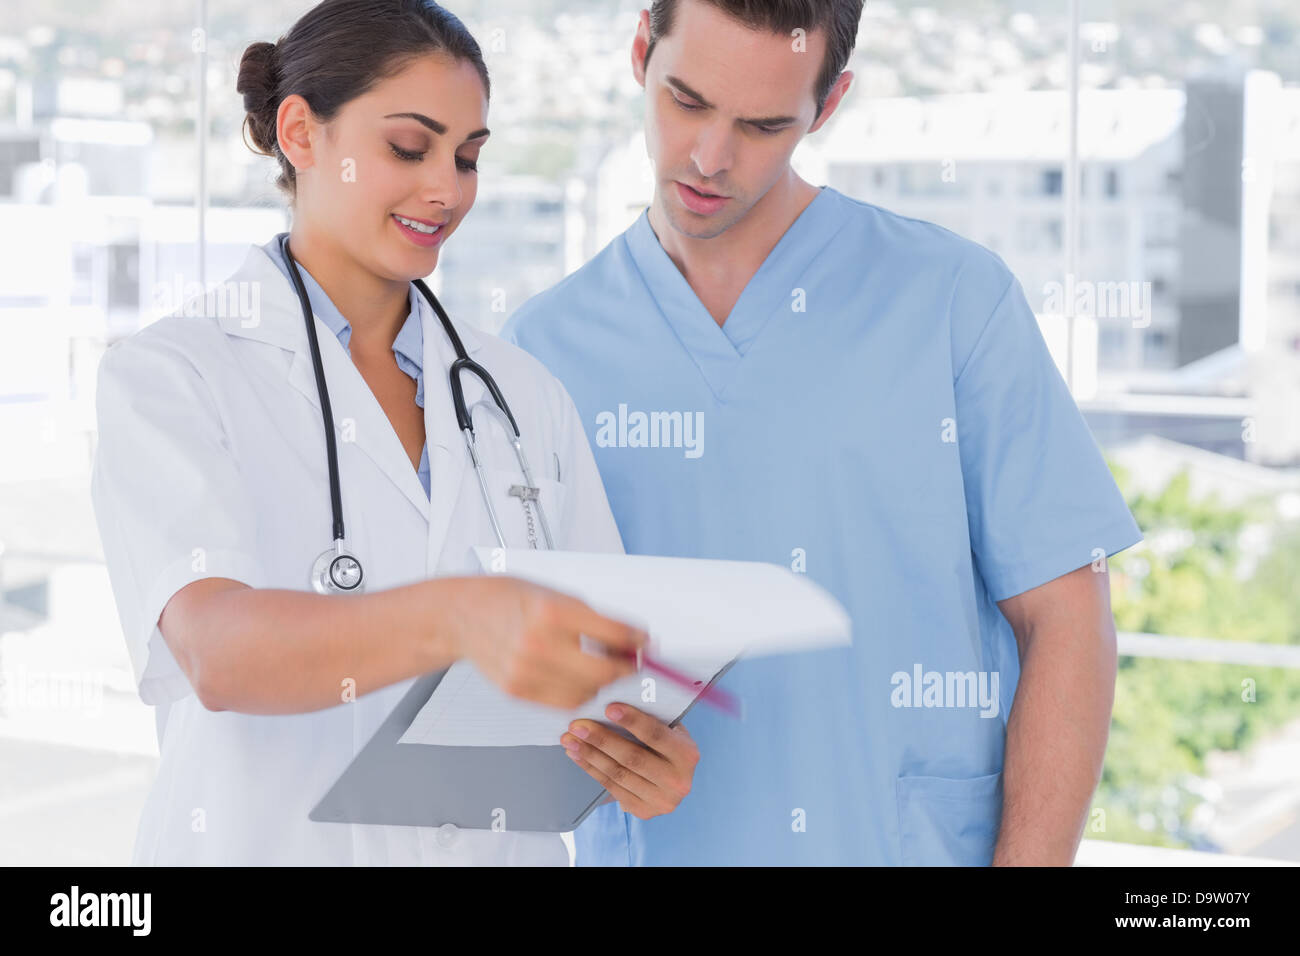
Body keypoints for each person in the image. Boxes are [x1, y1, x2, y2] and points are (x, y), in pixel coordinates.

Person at [505, 0, 1144, 866]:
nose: (708, 157)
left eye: (763, 125)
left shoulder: (953, 300)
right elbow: (518, 669)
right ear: (640, 54)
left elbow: (1066, 617)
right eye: (686, 101)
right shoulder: (542, 350)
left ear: (829, 103)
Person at [90, 0, 698, 867]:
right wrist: (459, 612)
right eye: (408, 148)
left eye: (467, 157)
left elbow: (599, 665)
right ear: (301, 133)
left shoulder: (522, 395)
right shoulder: (173, 376)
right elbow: (218, 654)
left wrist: (638, 759)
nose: (445, 189)